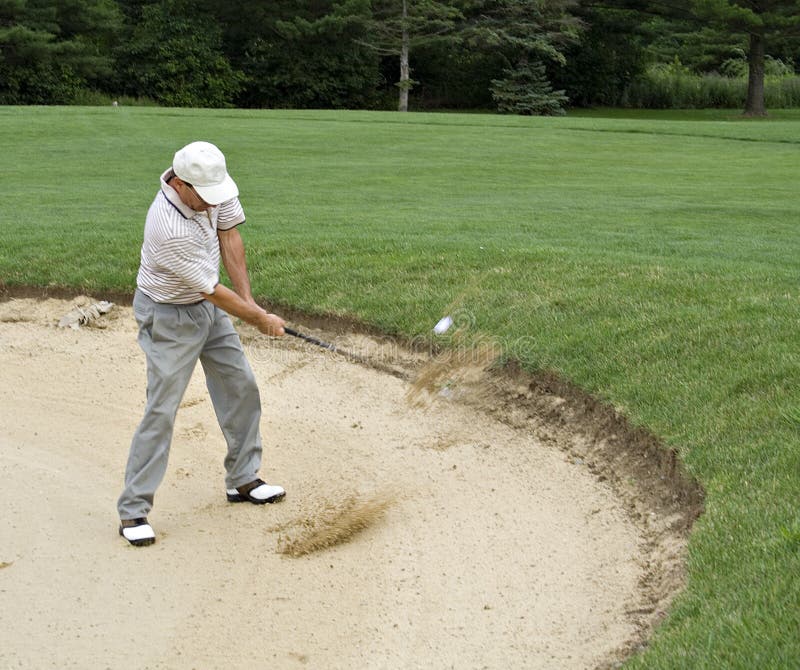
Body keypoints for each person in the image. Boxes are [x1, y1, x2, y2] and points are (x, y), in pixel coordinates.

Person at [118, 141, 286, 547]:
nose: (213, 205)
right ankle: (133, 510)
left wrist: (249, 302)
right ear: (180, 183)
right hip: (168, 315)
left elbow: (230, 238)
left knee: (240, 385)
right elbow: (210, 288)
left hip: (208, 310)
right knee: (162, 407)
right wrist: (258, 318)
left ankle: (243, 479)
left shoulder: (213, 185)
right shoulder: (166, 224)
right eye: (205, 199)